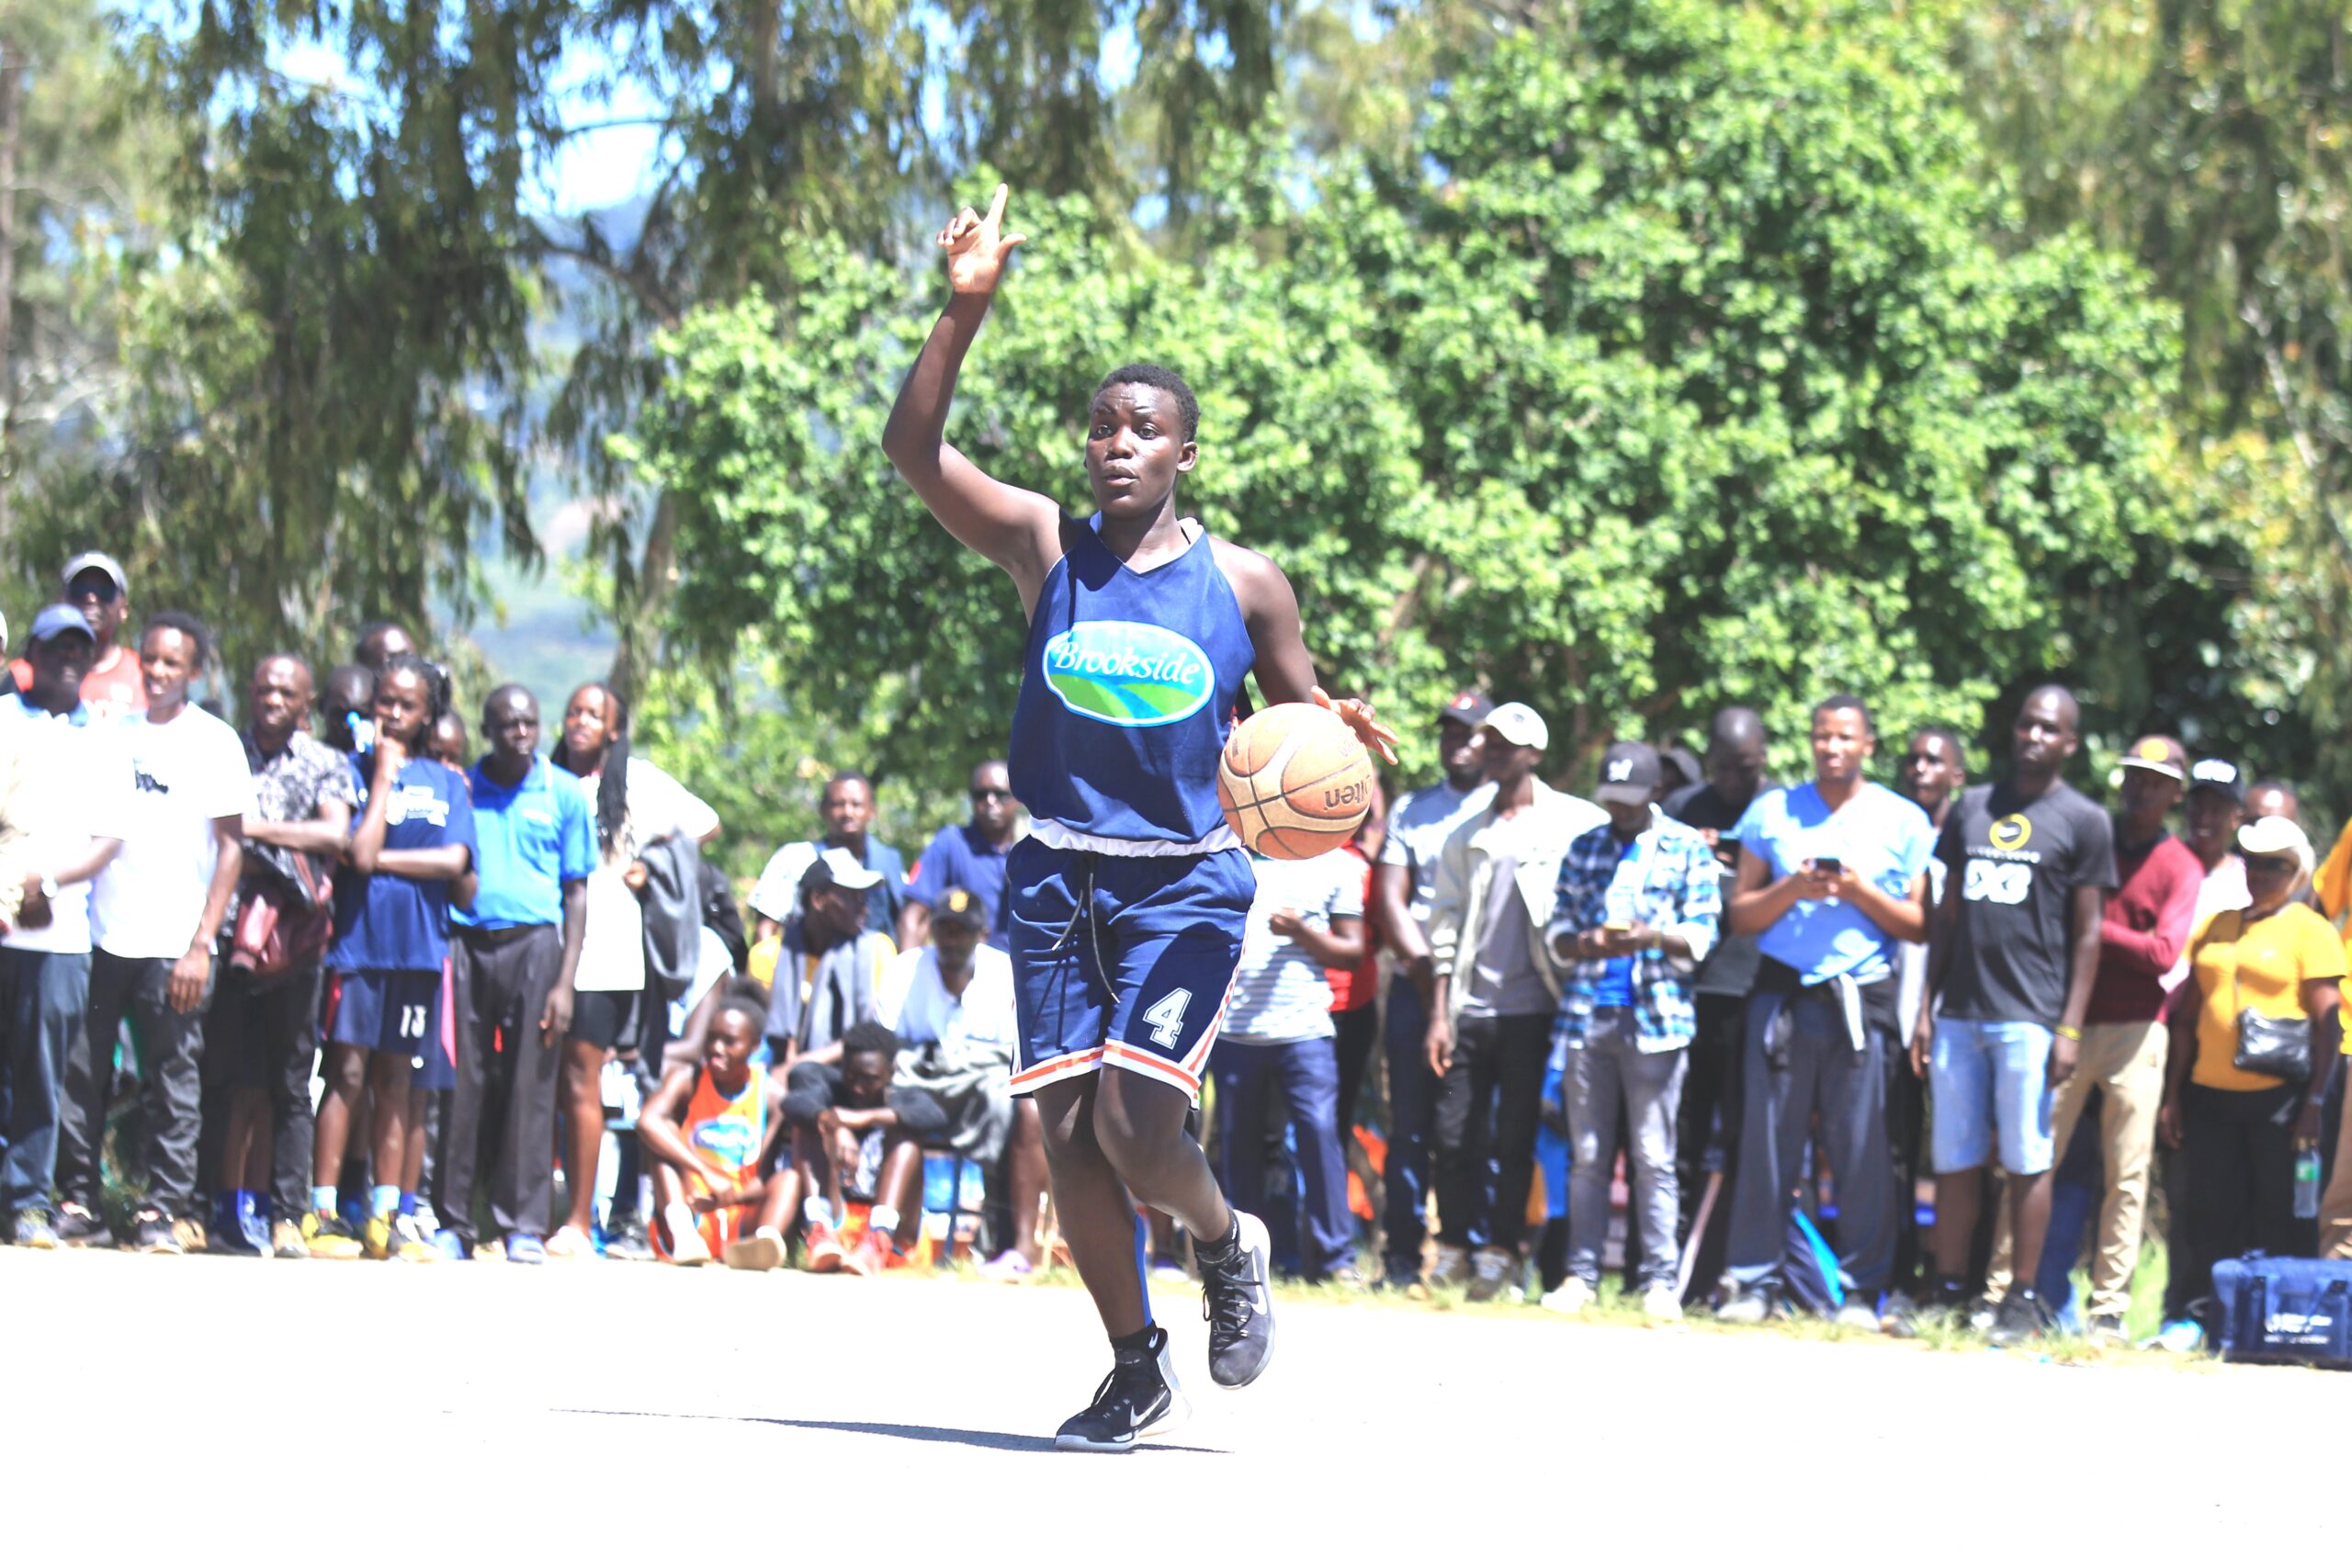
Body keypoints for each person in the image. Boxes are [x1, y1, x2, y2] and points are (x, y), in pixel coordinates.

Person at [881, 183, 1395, 1450]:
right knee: (1066, 1134)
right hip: (1058, 874)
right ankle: (1134, 1365)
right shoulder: (1045, 549)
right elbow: (914, 451)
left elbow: (1302, 725)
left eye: (1145, 429)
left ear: (1184, 455)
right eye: (1102, 427)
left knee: (1134, 1123)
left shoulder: (1246, 584)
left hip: (1184, 882)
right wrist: (965, 307)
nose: (1117, 444)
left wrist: (1337, 736)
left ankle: (1224, 1240)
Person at [1904, 685, 2115, 1343]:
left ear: (2069, 743)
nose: (2034, 736)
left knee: (2028, 1158)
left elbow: (2088, 933)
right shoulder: (1971, 807)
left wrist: (2069, 1026)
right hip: (1960, 1013)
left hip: (2029, 1016)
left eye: (2049, 728)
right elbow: (1946, 915)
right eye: (2027, 724)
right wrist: (1926, 1006)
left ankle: (2021, 1297)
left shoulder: (2084, 820)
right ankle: (1948, 1289)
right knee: (1955, 1158)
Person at [1716, 698, 1930, 1324]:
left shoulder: (1903, 819)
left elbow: (1920, 924)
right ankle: (1754, 1283)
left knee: (1863, 1150)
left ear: (1867, 744)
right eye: (1821, 736)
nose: (1831, 748)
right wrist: (1793, 887)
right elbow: (1741, 914)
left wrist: (1859, 890)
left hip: (1860, 998)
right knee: (1767, 1145)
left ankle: (1860, 1291)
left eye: (1844, 737)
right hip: (1783, 997)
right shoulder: (1773, 811)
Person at [51, 614, 248, 1252]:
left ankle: (162, 1209)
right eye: (151, 660)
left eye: (173, 662)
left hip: (175, 943)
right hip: (104, 936)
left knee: (172, 1081)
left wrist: (201, 943)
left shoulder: (214, 741)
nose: (159, 672)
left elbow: (232, 848)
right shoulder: (113, 736)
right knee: (84, 1075)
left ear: (195, 671)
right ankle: (78, 1201)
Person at [2017, 736, 2200, 1337]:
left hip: (2137, 1030)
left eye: (2156, 781)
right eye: (2134, 777)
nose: (2141, 789)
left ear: (2175, 794)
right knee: (2031, 1157)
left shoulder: (2181, 864)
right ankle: (2008, 1291)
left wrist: (2092, 929)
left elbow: (2164, 953)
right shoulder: (2090, 836)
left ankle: (2109, 1309)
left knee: (2127, 1174)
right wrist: (2100, 933)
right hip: (2067, 1023)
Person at [1425, 702, 1605, 1301]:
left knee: (1514, 1138)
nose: (1496, 751)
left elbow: (1621, 840)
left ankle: (1500, 1254)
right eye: (1490, 742)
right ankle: (1453, 1247)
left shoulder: (1573, 822)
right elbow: (1444, 925)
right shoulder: (1466, 832)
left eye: (1508, 744)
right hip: (1470, 1007)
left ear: (1535, 753)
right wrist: (1439, 1013)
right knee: (1454, 1134)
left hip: (1533, 1009)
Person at [1539, 740, 1720, 1320]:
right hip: (1588, 1017)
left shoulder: (1686, 847)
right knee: (1588, 1156)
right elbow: (1557, 932)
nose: (1619, 808)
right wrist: (1585, 943)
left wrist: (1653, 937)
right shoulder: (1586, 846)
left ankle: (1659, 1282)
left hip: (1657, 1022)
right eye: (1611, 797)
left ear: (1657, 792)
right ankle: (1581, 1277)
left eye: (1630, 797)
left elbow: (1703, 933)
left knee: (1654, 1155)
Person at [303, 655, 474, 1261]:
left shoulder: (446, 782)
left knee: (398, 1081)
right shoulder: (350, 770)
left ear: (428, 714)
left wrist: (378, 861)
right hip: (359, 949)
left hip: (418, 953)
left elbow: (454, 862)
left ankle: (387, 1217)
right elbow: (359, 847)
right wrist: (381, 777)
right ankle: (323, 1212)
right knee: (347, 1074)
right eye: (386, 703)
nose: (395, 714)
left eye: (408, 705)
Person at [548, 680, 722, 1260]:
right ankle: (534, 1216)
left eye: (594, 714)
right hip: (545, 944)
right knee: (544, 1083)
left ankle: (582, 1222)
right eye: (574, 711)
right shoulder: (548, 779)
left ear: (614, 728)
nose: (581, 721)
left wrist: (652, 860)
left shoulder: (638, 781)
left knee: (585, 1080)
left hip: (608, 952)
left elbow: (705, 822)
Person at [2159, 816, 2342, 1336]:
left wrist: (2316, 1103)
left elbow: (2328, 1026)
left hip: (2280, 1099)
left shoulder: (2311, 929)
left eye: (2274, 866)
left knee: (2280, 1211)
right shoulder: (2218, 924)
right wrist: (2172, 1095)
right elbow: (2188, 1017)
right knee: (2210, 1209)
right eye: (2254, 864)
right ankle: (2202, 1317)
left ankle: (2278, 1322)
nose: (2260, 874)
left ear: (2296, 871)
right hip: (2210, 1094)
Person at [206, 655, 356, 1258]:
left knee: (291, 1085)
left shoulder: (325, 762)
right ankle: (217, 1210)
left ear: (305, 702)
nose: (273, 698)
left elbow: (334, 835)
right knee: (226, 1080)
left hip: (296, 940)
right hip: (227, 935)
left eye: (286, 692)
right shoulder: (224, 751)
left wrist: (252, 829)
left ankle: (287, 1215)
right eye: (264, 687)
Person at [439, 685, 593, 1263]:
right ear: (487, 731)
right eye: (507, 724)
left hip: (536, 946)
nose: (521, 733)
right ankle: (454, 1222)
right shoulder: (464, 787)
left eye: (529, 722)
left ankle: (524, 1225)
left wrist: (565, 982)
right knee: (462, 1082)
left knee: (532, 1086)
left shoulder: (563, 792)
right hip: (467, 942)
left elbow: (576, 892)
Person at [1369, 690, 1493, 1291]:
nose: (1457, 743)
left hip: (1485, 992)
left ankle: (1470, 1252)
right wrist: (1425, 975)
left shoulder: (1505, 808)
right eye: (1450, 732)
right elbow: (1390, 899)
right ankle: (1400, 1257)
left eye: (1470, 733)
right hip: (1414, 988)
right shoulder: (1414, 809)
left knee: (1470, 1128)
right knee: (1410, 1129)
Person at [1, 608, 113, 1248]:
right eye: (55, 646)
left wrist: (45, 884)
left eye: (79, 647)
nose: (68, 657)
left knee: (42, 1079)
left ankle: (27, 1204)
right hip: (2, 924)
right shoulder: (3, 717)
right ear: (32, 654)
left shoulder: (104, 738)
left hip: (61, 938)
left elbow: (108, 842)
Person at [1214, 843, 1369, 1284]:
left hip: (1304, 1030)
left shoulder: (1336, 864)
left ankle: (1337, 1260)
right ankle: (1248, 1261)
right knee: (1240, 1148)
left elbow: (1353, 953)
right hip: (1234, 1030)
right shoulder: (1229, 856)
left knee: (1319, 1135)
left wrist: (1302, 932)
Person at [874, 886, 1043, 1277]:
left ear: (981, 934)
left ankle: (1012, 1246)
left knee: (1019, 1106)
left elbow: (1015, 1051)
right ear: (931, 931)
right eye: (944, 929)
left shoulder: (1004, 971)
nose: (951, 940)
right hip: (922, 1080)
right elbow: (883, 1045)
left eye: (961, 931)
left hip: (982, 1086)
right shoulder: (904, 969)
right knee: (900, 1103)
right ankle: (892, 1241)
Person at [1662, 705, 1771, 1301]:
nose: (1732, 779)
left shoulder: (1778, 811)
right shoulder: (1684, 808)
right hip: (1685, 992)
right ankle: (1669, 1271)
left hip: (1751, 992)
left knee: (1743, 1138)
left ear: (1764, 758)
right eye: (1722, 767)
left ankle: (1731, 1270)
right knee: (1681, 1135)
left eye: (1744, 767)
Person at [2147, 758, 2256, 1347]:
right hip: (2146, 1031)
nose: (2205, 815)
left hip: (2207, 1050)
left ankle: (2193, 1311)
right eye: (2198, 803)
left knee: (2199, 1187)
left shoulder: (2251, 880)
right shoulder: (2163, 860)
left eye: (2219, 805)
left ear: (2238, 815)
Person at [637, 980, 794, 1268]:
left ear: (755, 1045)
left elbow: (761, 1178)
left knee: (788, 1179)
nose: (716, 1049)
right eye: (711, 1038)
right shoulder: (688, 1080)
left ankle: (763, 1243)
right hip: (690, 1206)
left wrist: (726, 1199)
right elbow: (646, 1122)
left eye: (729, 1042)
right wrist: (705, 1172)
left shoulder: (770, 1097)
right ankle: (684, 1237)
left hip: (739, 1214)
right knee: (663, 1135)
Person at [1888, 726, 1966, 1295]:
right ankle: (1895, 1275)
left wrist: (1929, 1012)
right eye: (1913, 759)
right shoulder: (1888, 832)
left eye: (1934, 761)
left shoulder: (1971, 835)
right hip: (1889, 1013)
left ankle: (1951, 1277)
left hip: (1952, 1017)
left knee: (1956, 1155)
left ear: (1956, 775)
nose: (1921, 769)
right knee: (1894, 1150)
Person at [781, 1021, 950, 1275]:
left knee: (906, 1137)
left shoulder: (903, 1098)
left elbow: (934, 1116)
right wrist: (834, 1124)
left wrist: (862, 1118)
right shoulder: (829, 1089)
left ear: (891, 1071)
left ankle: (878, 1240)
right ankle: (820, 1231)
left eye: (870, 1079)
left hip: (896, 1230)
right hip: (839, 1219)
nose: (858, 1087)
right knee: (808, 1125)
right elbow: (795, 1093)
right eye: (851, 1076)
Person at [762, 849, 898, 1062]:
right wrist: (790, 1063)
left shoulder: (878, 949)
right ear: (818, 899)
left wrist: (808, 1062)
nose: (864, 909)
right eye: (852, 897)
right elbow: (769, 1029)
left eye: (864, 898)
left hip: (853, 1067)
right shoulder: (770, 955)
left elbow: (873, 1028)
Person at [750, 771, 907, 942]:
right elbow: (765, 930)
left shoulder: (889, 861)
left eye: (857, 804)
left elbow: (908, 924)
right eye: (838, 804)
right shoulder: (796, 858)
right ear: (823, 810)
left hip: (875, 958)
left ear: (872, 810)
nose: (848, 812)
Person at [6, 553, 148, 719]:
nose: (91, 598)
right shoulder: (22, 674)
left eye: (105, 592)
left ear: (124, 608)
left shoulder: (144, 676)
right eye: (79, 590)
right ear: (61, 599)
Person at [900, 760, 1023, 949]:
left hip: (1025, 965)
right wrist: (907, 965)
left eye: (1000, 795)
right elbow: (914, 918)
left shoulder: (1033, 849)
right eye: (980, 795)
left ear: (1018, 798)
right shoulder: (950, 843)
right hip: (965, 965)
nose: (990, 801)